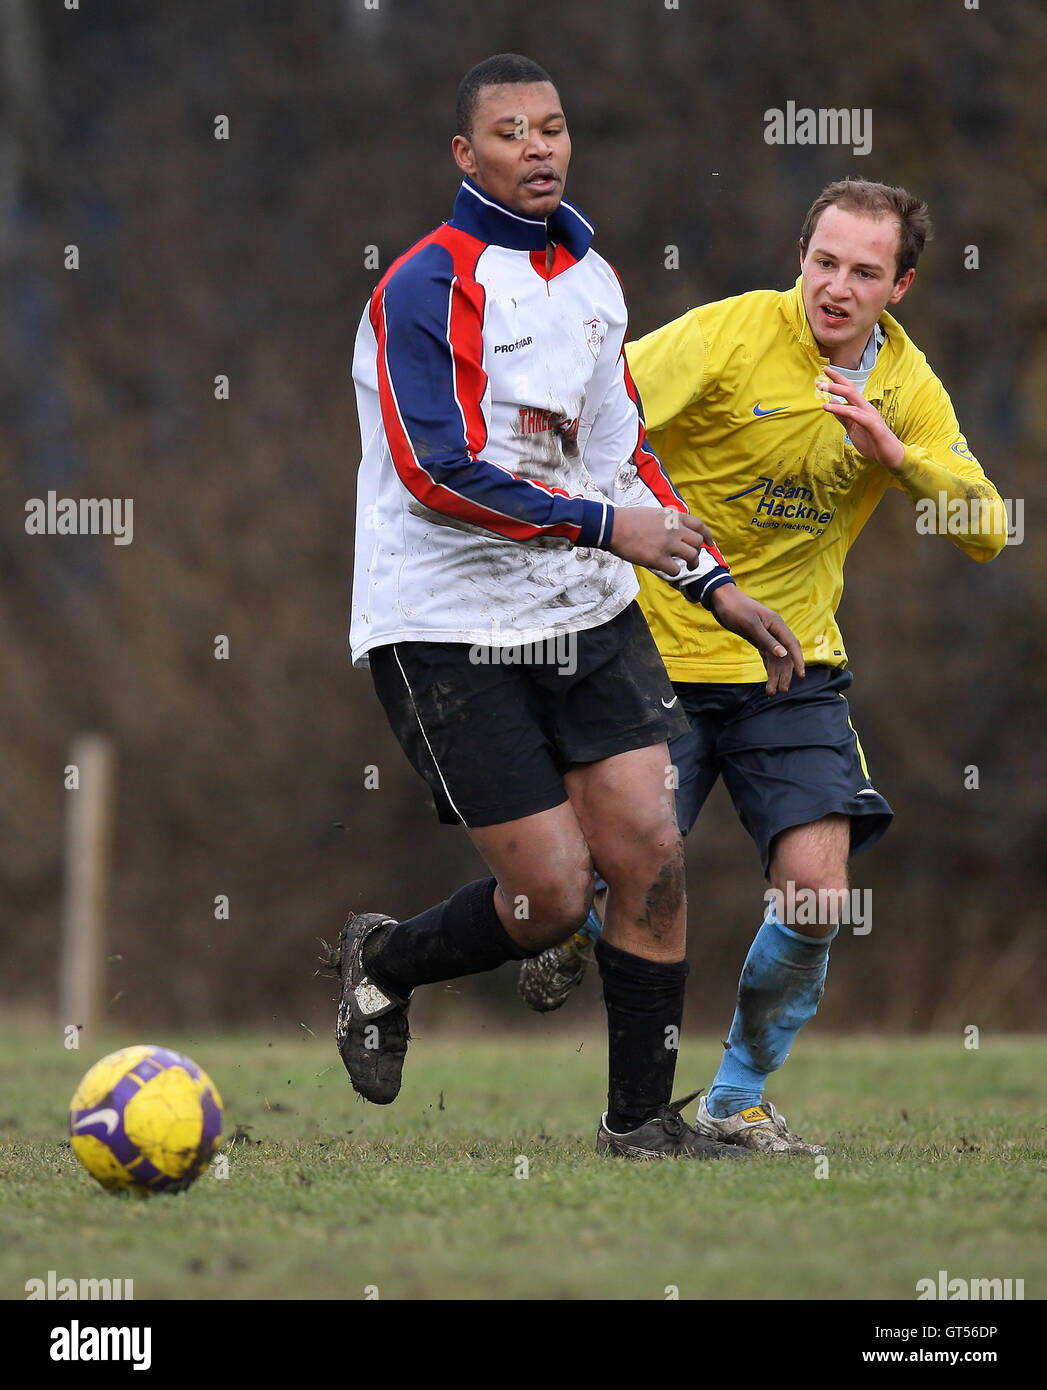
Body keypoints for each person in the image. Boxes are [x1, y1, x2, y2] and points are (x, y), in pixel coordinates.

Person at [335, 52, 804, 1160]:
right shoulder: (423, 287)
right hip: (446, 627)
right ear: (466, 154)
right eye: (510, 133)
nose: (537, 148)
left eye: (551, 128)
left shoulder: (595, 283)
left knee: (651, 845)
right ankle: (383, 965)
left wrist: (713, 581)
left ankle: (642, 1124)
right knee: (550, 897)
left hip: (586, 614)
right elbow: (434, 474)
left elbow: (623, 459)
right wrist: (605, 527)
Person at [519, 178, 1007, 1154]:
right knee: (591, 879)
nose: (836, 285)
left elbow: (987, 527)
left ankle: (736, 1100)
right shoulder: (731, 336)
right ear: (801, 255)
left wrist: (896, 450)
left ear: (900, 286)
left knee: (818, 893)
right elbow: (594, 412)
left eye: (865, 271)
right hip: (657, 647)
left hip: (793, 667)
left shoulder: (904, 387)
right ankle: (570, 919)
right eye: (824, 261)